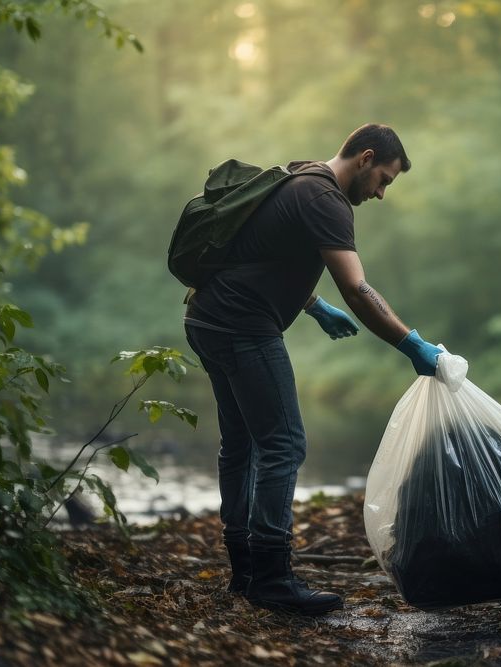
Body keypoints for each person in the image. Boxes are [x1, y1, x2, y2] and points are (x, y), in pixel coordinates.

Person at [182, 123, 444, 615]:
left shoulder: (299, 176)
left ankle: (245, 569)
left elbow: (262, 254)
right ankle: (272, 578)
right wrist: (412, 344)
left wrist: (311, 303)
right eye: (384, 179)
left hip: (205, 318)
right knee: (283, 443)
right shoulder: (327, 200)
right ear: (365, 158)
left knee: (240, 444)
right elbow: (358, 289)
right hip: (242, 327)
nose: (382, 193)